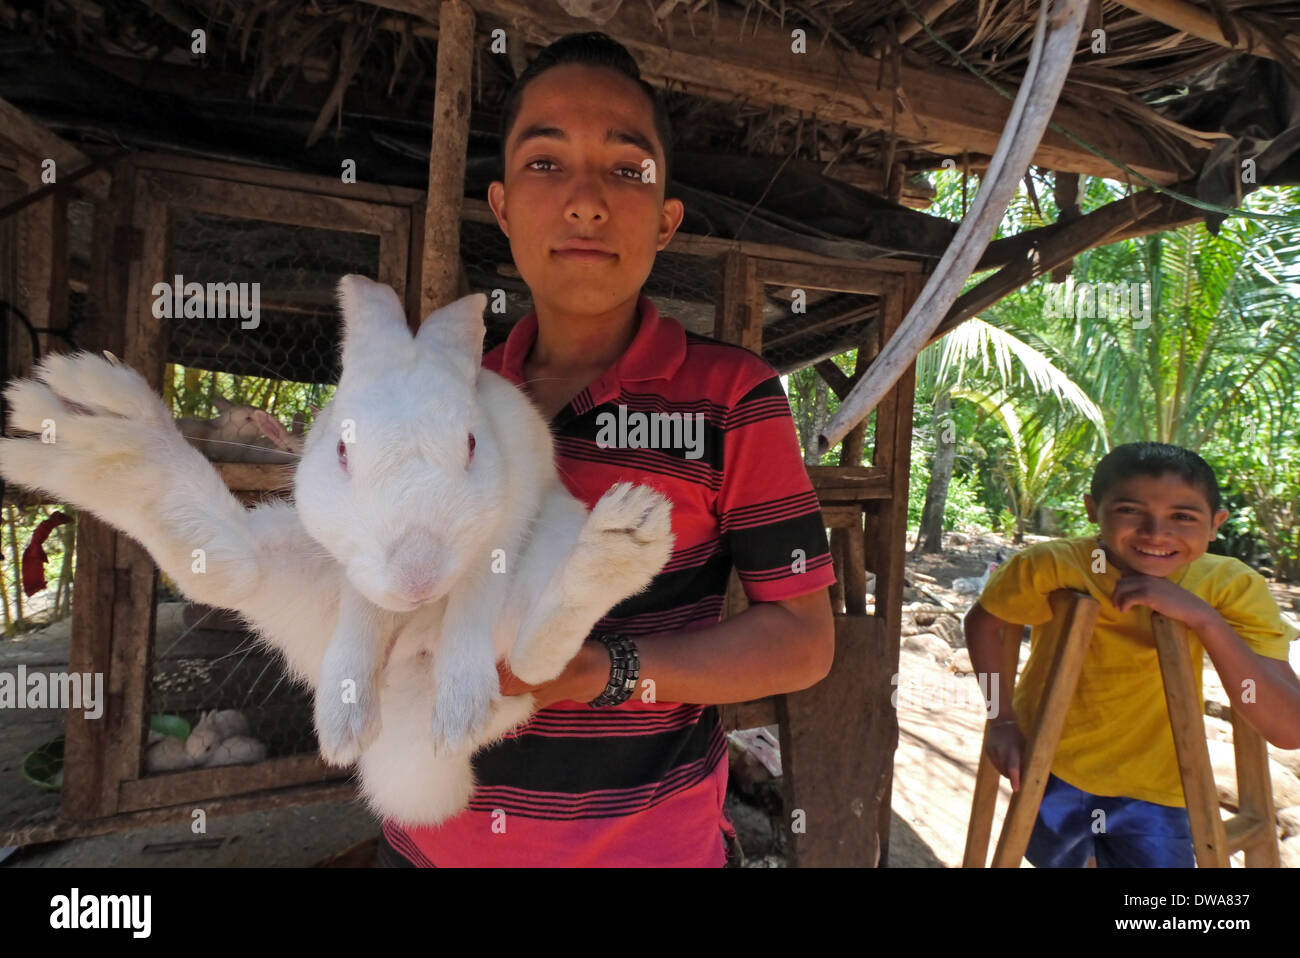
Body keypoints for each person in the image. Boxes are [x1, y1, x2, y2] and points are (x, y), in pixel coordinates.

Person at [378, 32, 837, 867]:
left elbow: (804, 641)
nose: (586, 202)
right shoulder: (441, 398)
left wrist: (605, 671)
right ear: (504, 206)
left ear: (665, 221)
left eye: (626, 170)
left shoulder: (732, 400)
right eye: (546, 163)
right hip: (427, 846)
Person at [965, 442, 1300, 867]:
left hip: (1157, 787)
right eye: (1129, 510)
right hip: (1050, 769)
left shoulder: (1229, 587)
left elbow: (1288, 730)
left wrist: (1204, 621)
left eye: (1183, 516)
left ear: (1216, 524)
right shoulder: (1052, 565)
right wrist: (1003, 719)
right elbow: (985, 624)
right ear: (1093, 509)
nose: (1156, 532)